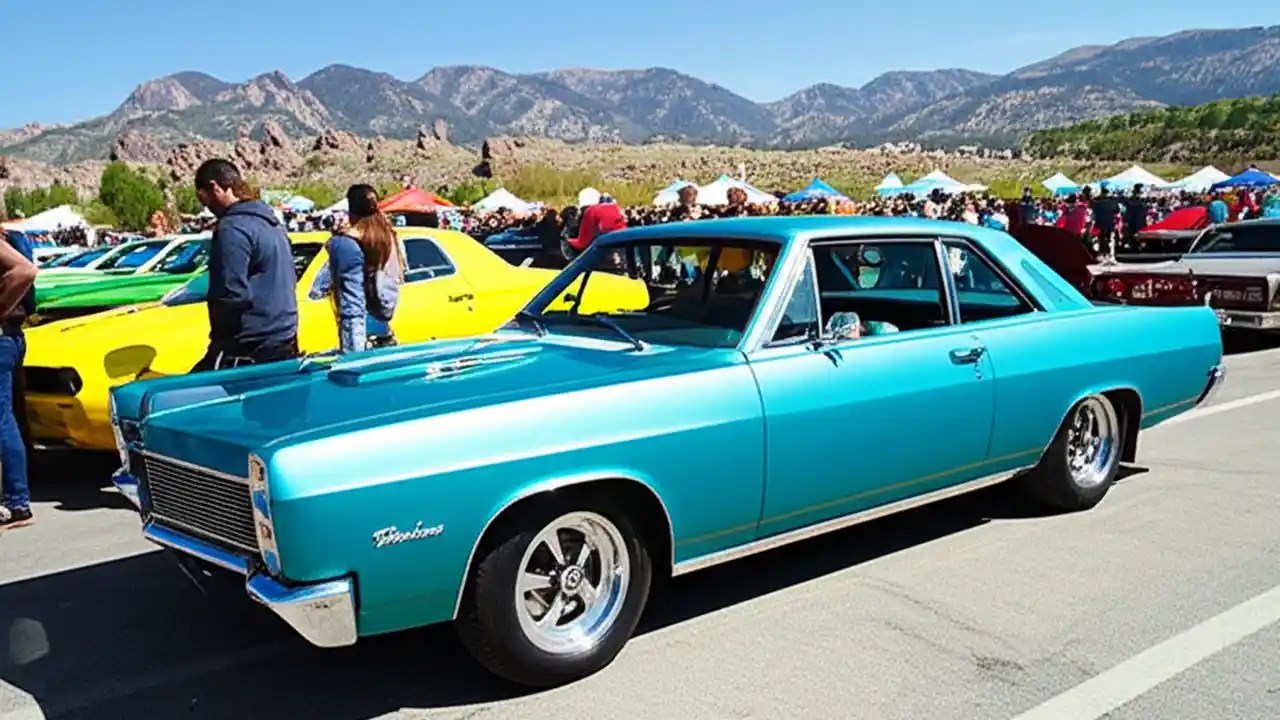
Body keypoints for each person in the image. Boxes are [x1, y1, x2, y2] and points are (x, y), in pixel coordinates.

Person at [191, 159, 299, 371]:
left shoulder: (232, 228)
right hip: (283, 336)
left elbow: (232, 294)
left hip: (250, 347)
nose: (205, 206)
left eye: (202, 198)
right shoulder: (271, 223)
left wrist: (220, 341)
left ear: (215, 187)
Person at [327, 184, 405, 353]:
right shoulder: (385, 231)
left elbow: (350, 291)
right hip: (383, 306)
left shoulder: (354, 239)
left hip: (362, 312)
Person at [0, 229, 39, 530]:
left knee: (2, 420)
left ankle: (16, 503)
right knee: (9, 417)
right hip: (12, 337)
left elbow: (25, 271)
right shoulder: (10, 236)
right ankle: (16, 499)